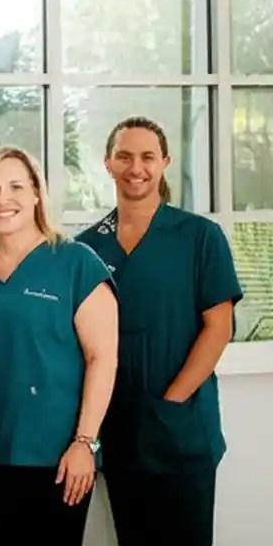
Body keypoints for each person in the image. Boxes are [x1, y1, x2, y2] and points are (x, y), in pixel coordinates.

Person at [76, 117, 243, 546]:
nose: (137, 168)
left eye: (148, 157)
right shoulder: (88, 247)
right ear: (108, 164)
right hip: (121, 429)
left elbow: (218, 327)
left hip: (181, 427)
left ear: (164, 162)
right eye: (125, 156)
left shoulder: (199, 236)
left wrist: (172, 402)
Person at [0, 146, 118, 545]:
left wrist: (85, 442)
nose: (3, 199)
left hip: (59, 457)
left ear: (36, 195)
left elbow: (102, 359)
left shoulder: (76, 263)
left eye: (16, 186)